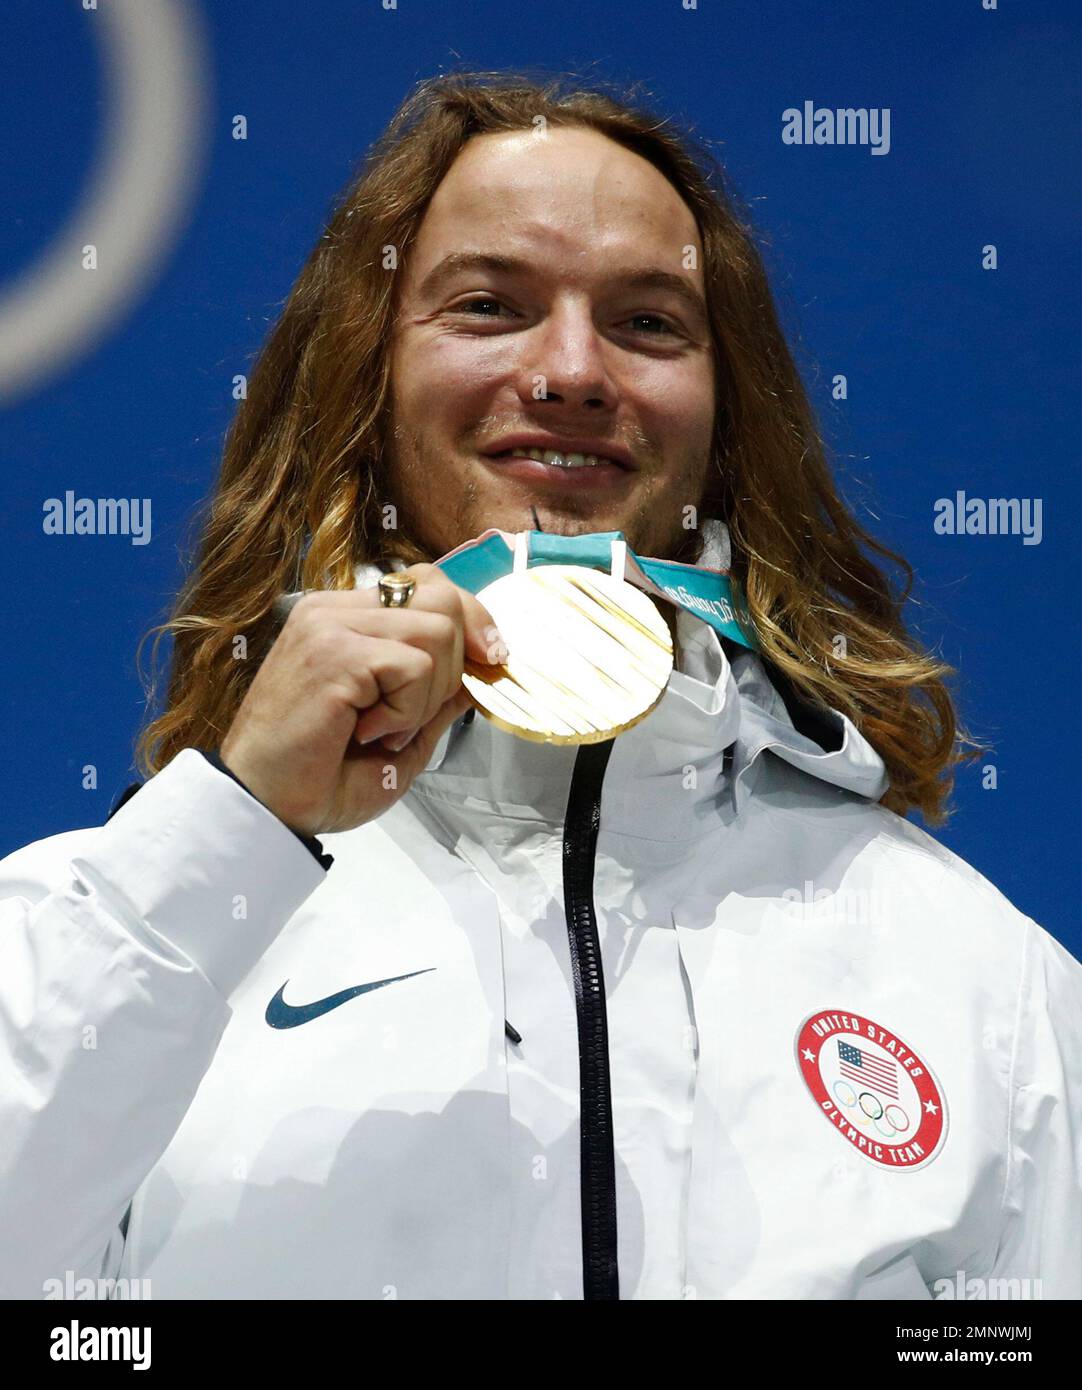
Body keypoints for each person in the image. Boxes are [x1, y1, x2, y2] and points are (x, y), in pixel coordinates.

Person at [2, 71, 1079, 1303]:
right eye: (487, 305)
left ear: (724, 425)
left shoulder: (977, 978)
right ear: (365, 381)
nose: (571, 369)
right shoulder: (135, 925)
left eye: (646, 323)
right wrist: (236, 828)